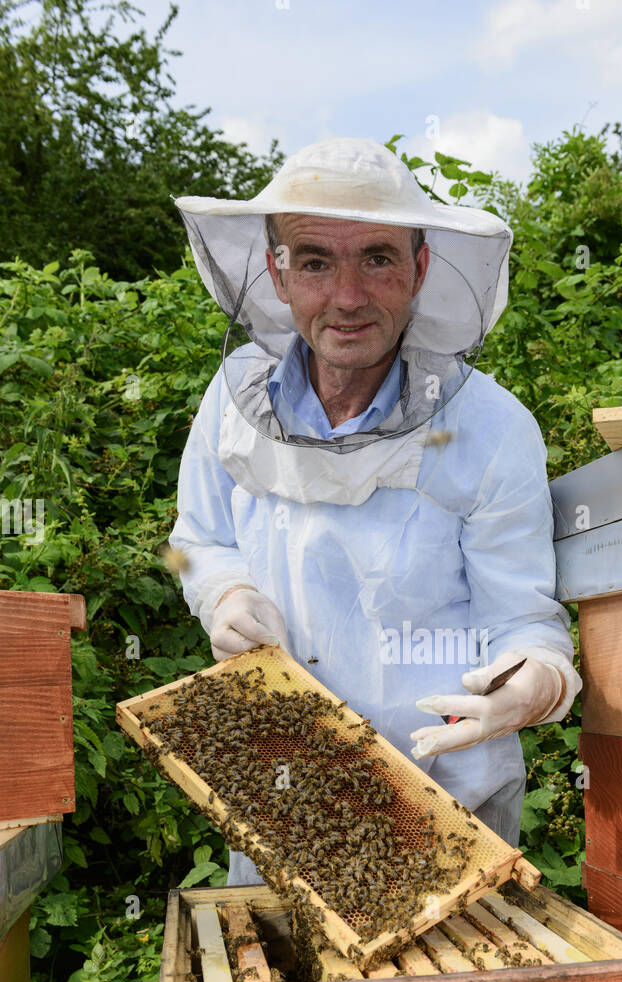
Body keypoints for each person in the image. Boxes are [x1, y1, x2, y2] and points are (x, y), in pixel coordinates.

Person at [168, 137, 581, 886]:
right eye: (316, 260)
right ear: (277, 271)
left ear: (419, 271)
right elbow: (193, 540)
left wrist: (537, 680)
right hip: (282, 797)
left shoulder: (490, 428)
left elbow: (522, 616)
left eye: (378, 258)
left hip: (449, 809)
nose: (348, 296)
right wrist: (221, 590)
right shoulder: (230, 399)